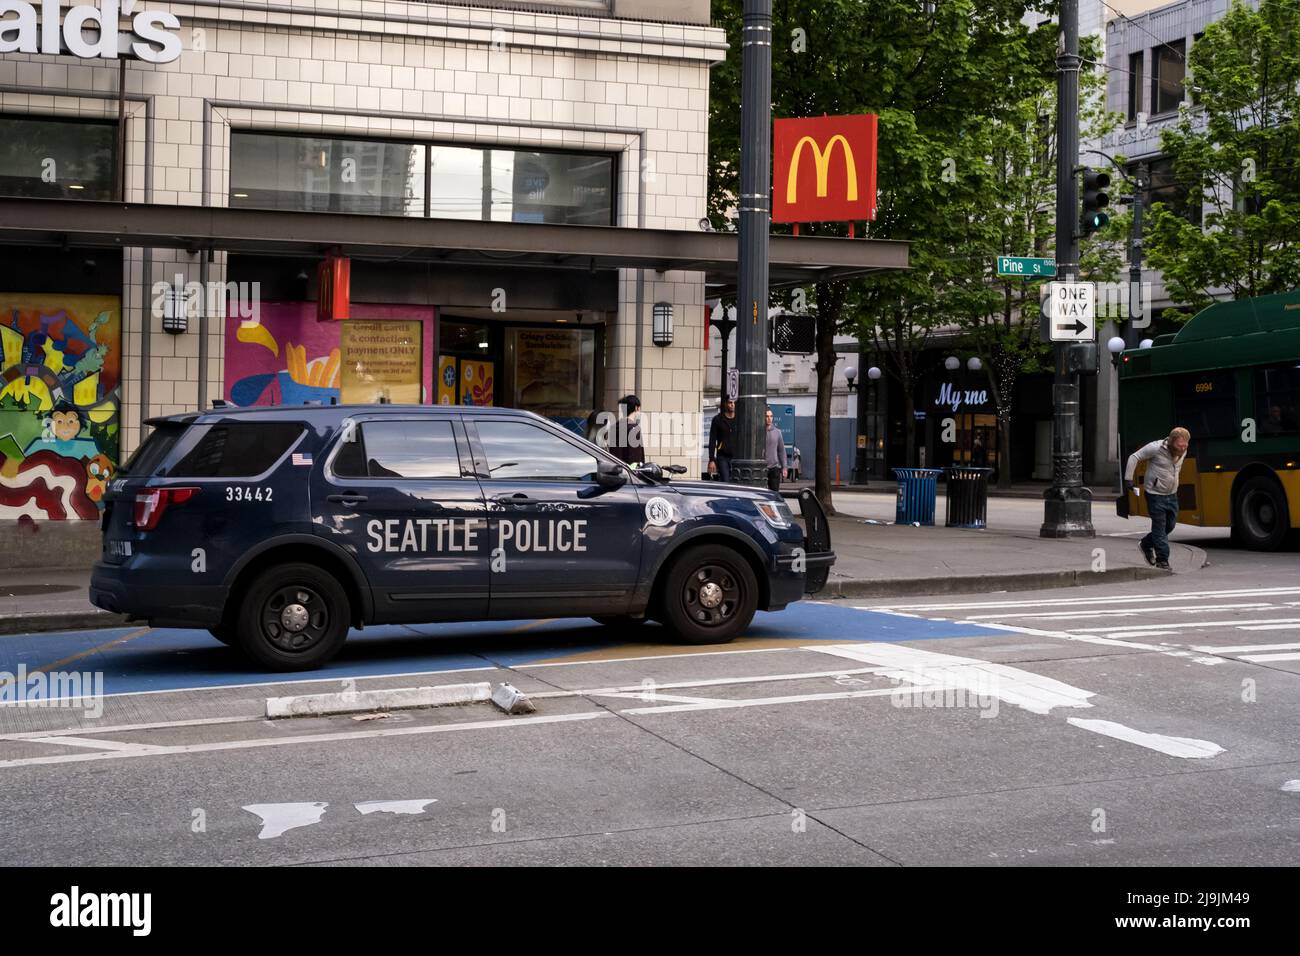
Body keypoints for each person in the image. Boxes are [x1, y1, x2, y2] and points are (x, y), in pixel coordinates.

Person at [1124, 426, 1190, 571]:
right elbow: (1134, 457)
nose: (1183, 448)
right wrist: (1128, 479)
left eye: (1185, 444)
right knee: (1159, 528)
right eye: (1180, 445)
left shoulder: (1183, 451)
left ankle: (1146, 544)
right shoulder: (1156, 447)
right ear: (1172, 442)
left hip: (1172, 494)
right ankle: (1163, 560)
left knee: (1170, 526)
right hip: (1155, 494)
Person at [609, 394, 645, 465]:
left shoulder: (614, 427)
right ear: (636, 408)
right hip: (628, 472)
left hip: (614, 470)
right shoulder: (634, 428)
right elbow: (635, 458)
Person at [708, 398, 736, 481]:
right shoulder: (717, 420)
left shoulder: (739, 419)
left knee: (736, 483)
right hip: (722, 456)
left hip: (737, 457)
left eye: (734, 403)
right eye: (730, 402)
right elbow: (712, 440)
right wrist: (711, 460)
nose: (732, 405)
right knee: (725, 480)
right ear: (725, 404)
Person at [764, 407, 787, 492]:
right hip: (761, 468)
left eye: (771, 416)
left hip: (774, 468)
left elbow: (781, 451)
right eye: (767, 416)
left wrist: (784, 467)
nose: (769, 418)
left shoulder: (777, 432)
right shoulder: (759, 432)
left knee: (774, 494)